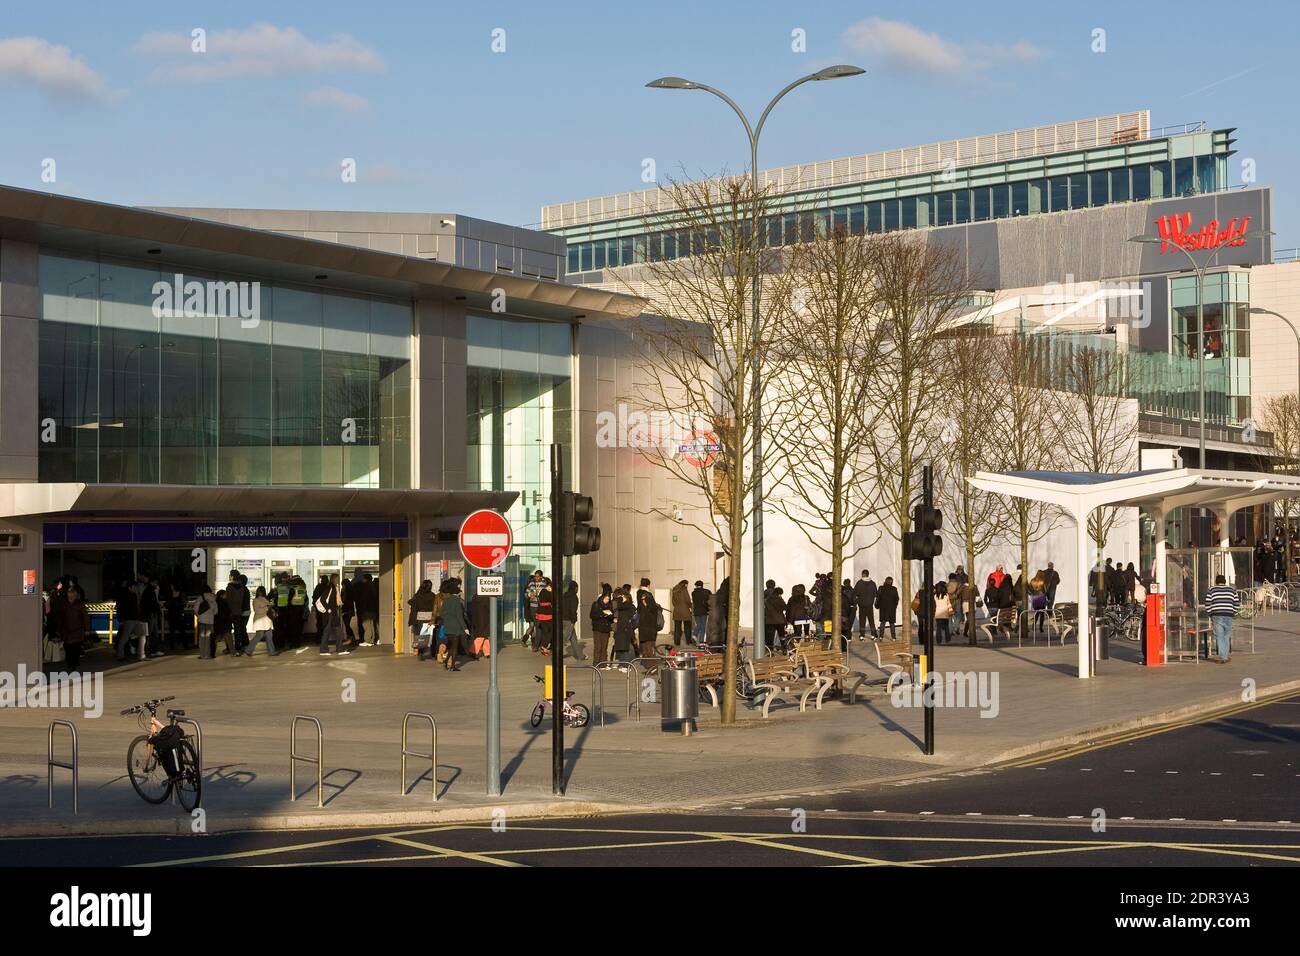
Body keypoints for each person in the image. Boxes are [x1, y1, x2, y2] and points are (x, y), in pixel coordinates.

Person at [1204, 574, 1239, 663]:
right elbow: (1237, 604)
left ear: (1216, 581)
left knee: (1219, 636)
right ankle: (1225, 656)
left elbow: (1207, 604)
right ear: (1225, 581)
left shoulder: (1211, 590)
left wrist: (1211, 614)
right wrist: (1233, 612)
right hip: (1228, 615)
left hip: (1217, 615)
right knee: (1226, 636)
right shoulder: (1232, 590)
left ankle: (1223, 657)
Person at [439, 579, 469, 671]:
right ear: (458, 593)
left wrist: (448, 619)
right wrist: (465, 628)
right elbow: (459, 616)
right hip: (456, 627)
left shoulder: (446, 600)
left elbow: (441, 613)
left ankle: (446, 662)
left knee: (451, 646)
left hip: (447, 626)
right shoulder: (457, 601)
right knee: (454, 647)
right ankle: (452, 666)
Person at [60, 585, 90, 671]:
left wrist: (87, 629)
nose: (71, 596)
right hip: (67, 630)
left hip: (77, 629)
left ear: (75, 595)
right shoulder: (64, 604)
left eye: (72, 595)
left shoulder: (80, 604)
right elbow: (61, 617)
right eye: (70, 594)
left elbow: (85, 617)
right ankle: (71, 662)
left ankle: (73, 663)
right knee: (68, 647)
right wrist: (59, 629)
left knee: (75, 648)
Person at [319, 573, 349, 656]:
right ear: (334, 579)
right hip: (329, 613)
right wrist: (328, 609)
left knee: (338, 630)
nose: (338, 580)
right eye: (337, 578)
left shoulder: (335, 587)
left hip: (333, 612)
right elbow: (322, 599)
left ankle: (339, 648)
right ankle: (324, 650)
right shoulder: (330, 588)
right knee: (328, 631)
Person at [245, 586, 278, 657]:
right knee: (259, 636)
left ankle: (271, 651)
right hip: (260, 621)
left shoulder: (265, 599)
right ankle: (248, 650)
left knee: (269, 636)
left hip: (266, 620)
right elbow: (257, 610)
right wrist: (267, 608)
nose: (260, 592)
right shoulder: (256, 600)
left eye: (261, 591)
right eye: (259, 591)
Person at [408, 579, 436, 660]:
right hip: (429, 617)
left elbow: (411, 602)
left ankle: (417, 650)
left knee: (418, 634)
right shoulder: (432, 595)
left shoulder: (418, 595)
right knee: (428, 634)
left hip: (419, 617)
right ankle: (426, 650)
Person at [590, 584, 615, 663]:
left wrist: (610, 616)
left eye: (608, 599)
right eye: (606, 599)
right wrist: (602, 615)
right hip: (597, 628)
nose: (607, 600)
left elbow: (611, 616)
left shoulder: (609, 605)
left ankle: (603, 663)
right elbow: (592, 615)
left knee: (604, 647)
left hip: (606, 628)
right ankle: (596, 663)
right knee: (598, 647)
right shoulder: (596, 604)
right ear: (603, 597)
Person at [561, 579, 584, 660]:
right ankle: (557, 655)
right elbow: (573, 610)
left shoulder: (564, 595)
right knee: (564, 638)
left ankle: (580, 656)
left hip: (562, 619)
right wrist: (573, 621)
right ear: (575, 588)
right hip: (569, 620)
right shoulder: (574, 597)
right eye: (577, 588)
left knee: (573, 638)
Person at [636, 585, 660, 659]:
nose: (643, 601)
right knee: (645, 650)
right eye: (642, 600)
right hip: (645, 633)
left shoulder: (652, 609)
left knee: (649, 650)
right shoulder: (643, 608)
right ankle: (647, 665)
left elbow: (649, 619)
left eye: (644, 599)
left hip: (649, 633)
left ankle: (652, 667)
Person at [612, 587, 636, 662]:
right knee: (622, 645)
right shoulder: (626, 605)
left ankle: (625, 664)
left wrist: (619, 599)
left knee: (625, 646)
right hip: (623, 627)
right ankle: (622, 662)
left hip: (625, 628)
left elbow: (620, 607)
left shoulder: (626, 605)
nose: (621, 598)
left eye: (622, 596)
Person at [853, 570, 877, 641]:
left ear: (862, 574)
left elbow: (855, 594)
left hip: (862, 606)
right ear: (868, 574)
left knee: (862, 621)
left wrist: (857, 602)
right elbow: (876, 594)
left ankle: (862, 635)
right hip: (870, 605)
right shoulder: (873, 584)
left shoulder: (859, 583)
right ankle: (873, 635)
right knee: (871, 620)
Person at [357, 572, 379, 646]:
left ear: (365, 579)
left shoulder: (366, 587)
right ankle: (372, 639)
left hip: (367, 609)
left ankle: (368, 640)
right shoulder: (372, 586)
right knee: (371, 625)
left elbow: (365, 599)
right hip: (372, 608)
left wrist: (363, 608)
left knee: (366, 625)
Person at [523, 570, 545, 646]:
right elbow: (526, 594)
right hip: (533, 607)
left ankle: (536, 643)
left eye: (538, 576)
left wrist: (539, 594)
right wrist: (530, 594)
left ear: (541, 577)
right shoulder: (531, 583)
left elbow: (546, 595)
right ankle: (535, 643)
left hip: (541, 607)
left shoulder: (544, 584)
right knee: (535, 625)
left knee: (537, 625)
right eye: (535, 576)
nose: (536, 578)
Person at [535, 577, 556, 655]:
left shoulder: (542, 591)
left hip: (541, 614)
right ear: (549, 586)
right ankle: (544, 646)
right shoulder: (547, 592)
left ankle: (544, 649)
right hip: (547, 614)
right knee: (551, 631)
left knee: (545, 631)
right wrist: (551, 593)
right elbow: (552, 600)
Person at [195, 581, 216, 659]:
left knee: (201, 637)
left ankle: (202, 654)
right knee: (208, 637)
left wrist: (198, 616)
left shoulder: (200, 598)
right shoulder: (213, 598)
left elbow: (196, 609)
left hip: (201, 621)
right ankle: (207, 655)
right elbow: (216, 611)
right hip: (210, 621)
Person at [469, 590, 492, 659]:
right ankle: (473, 651)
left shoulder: (475, 597)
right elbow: (489, 608)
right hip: (484, 619)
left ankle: (487, 652)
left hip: (477, 620)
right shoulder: (485, 598)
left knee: (484, 637)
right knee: (481, 636)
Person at [875, 577, 899, 641]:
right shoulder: (894, 589)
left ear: (885, 581)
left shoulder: (881, 588)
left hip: (883, 608)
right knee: (892, 623)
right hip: (892, 609)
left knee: (883, 622)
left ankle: (881, 637)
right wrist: (895, 606)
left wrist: (877, 606)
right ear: (892, 582)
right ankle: (893, 637)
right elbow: (897, 599)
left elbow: (878, 597)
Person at [213, 588, 236, 656]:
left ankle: (211, 652)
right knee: (228, 638)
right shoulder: (223, 602)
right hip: (225, 623)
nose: (226, 595)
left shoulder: (217, 602)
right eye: (225, 594)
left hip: (220, 623)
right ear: (221, 595)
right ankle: (232, 652)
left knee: (217, 638)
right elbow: (225, 613)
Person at [670, 579, 692, 647]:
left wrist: (677, 606)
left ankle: (677, 642)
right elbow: (688, 600)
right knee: (687, 627)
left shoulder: (674, 590)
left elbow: (673, 602)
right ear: (685, 584)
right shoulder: (684, 589)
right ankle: (688, 641)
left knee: (677, 628)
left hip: (677, 611)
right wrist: (690, 606)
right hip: (685, 611)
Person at [690, 580, 710, 646]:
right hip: (704, 611)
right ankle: (701, 641)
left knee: (698, 624)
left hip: (696, 611)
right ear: (702, 585)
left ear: (696, 585)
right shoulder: (707, 591)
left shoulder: (693, 593)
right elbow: (709, 600)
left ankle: (695, 635)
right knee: (703, 626)